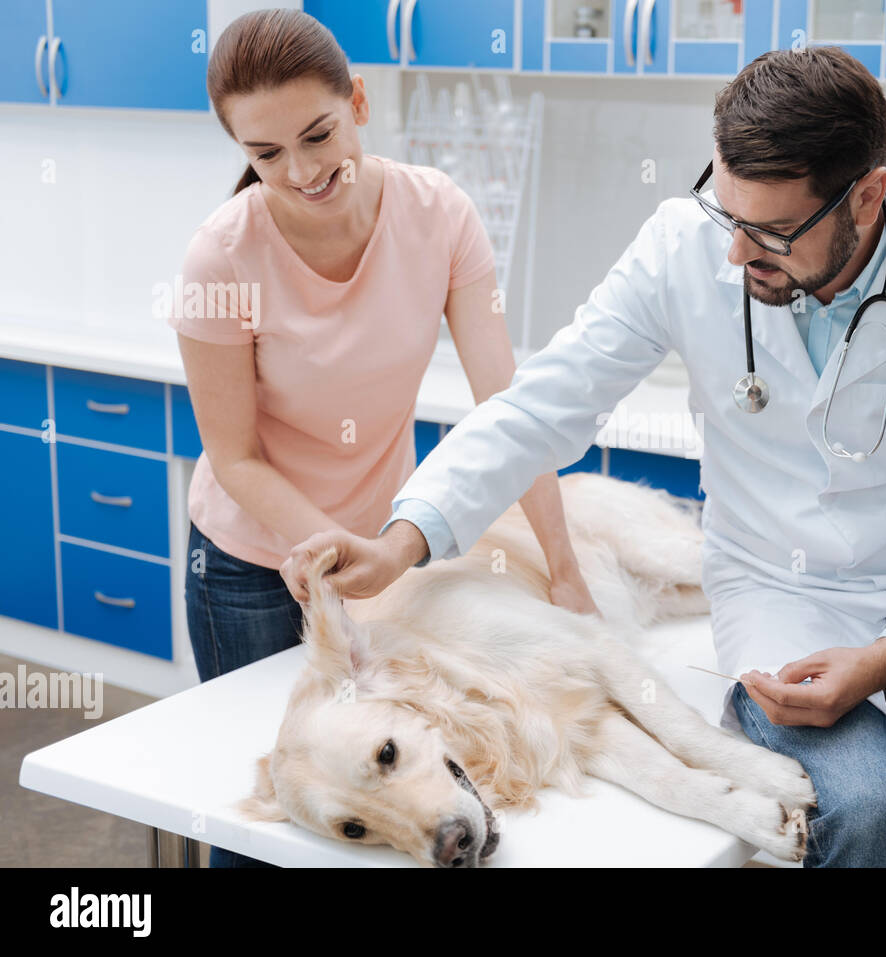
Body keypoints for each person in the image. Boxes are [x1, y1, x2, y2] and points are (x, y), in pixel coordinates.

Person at [282, 47, 886, 867]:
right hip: (778, 592)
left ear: (868, 195)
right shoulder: (682, 245)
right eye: (727, 213)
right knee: (864, 821)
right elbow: (542, 405)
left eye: (771, 233)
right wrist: (403, 541)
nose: (733, 253)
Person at [169, 9, 599, 868]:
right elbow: (236, 457)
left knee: (390, 801)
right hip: (251, 570)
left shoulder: (437, 214)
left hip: (382, 563)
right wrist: (340, 551)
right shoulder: (220, 259)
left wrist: (566, 568)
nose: (299, 172)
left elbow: (507, 413)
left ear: (358, 102)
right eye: (265, 155)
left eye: (317, 134)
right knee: (279, 817)